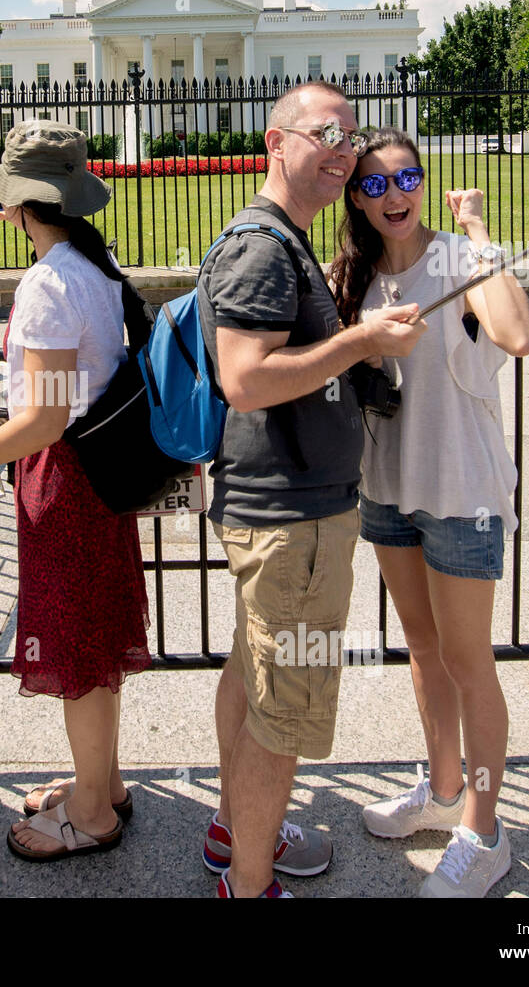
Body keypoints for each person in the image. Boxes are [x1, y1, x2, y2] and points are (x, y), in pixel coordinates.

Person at [198, 82, 427, 897]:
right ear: (275, 141)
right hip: (295, 525)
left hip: (290, 519)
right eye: (324, 133)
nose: (343, 150)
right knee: (284, 710)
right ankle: (250, 883)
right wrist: (362, 338)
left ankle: (234, 834)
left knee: (255, 681)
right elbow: (247, 380)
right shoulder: (263, 246)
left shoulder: (281, 238)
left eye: (350, 136)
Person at [331, 127, 529, 897]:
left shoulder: (457, 257)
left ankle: (484, 832)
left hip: (462, 492)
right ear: (356, 196)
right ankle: (445, 790)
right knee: (422, 649)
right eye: (376, 184)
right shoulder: (351, 275)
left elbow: (519, 334)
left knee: (468, 660)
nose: (396, 195)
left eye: (408, 178)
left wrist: (480, 231)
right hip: (387, 487)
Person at [0, 120, 149, 861]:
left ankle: (93, 815)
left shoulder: (51, 283)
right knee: (94, 647)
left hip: (68, 485)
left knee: (81, 658)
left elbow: (47, 418)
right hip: (95, 480)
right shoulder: (92, 270)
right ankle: (102, 784)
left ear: (20, 204)